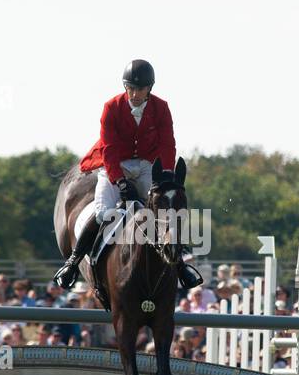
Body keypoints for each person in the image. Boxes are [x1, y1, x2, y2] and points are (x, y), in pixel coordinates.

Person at [53, 59, 202, 292]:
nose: (134, 93)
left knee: (163, 209)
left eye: (139, 89)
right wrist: (120, 181)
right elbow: (109, 149)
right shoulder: (111, 107)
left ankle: (180, 263)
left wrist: (164, 175)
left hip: (146, 165)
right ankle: (73, 262)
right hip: (115, 164)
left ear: (149, 89)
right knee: (103, 213)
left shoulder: (161, 108)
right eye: (130, 88)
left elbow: (167, 145)